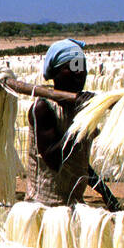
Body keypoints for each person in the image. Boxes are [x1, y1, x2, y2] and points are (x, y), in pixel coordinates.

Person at [27, 39, 97, 206]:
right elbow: (54, 159)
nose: (79, 73)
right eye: (73, 67)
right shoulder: (43, 108)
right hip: (45, 206)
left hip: (73, 204)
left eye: (82, 67)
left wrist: (108, 197)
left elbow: (78, 164)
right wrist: (82, 121)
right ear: (55, 72)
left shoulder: (80, 109)